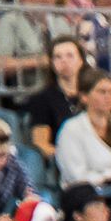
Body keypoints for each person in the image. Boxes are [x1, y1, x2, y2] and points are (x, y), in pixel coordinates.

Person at [55, 69, 111, 189]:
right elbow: (75, 175)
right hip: (86, 193)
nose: (108, 97)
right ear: (84, 97)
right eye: (102, 92)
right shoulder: (71, 129)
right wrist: (107, 178)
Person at [25, 36, 87, 165]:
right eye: (58, 57)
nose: (64, 61)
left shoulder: (92, 94)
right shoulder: (41, 99)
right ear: (51, 63)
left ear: (81, 60)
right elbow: (41, 143)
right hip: (64, 162)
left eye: (70, 55)